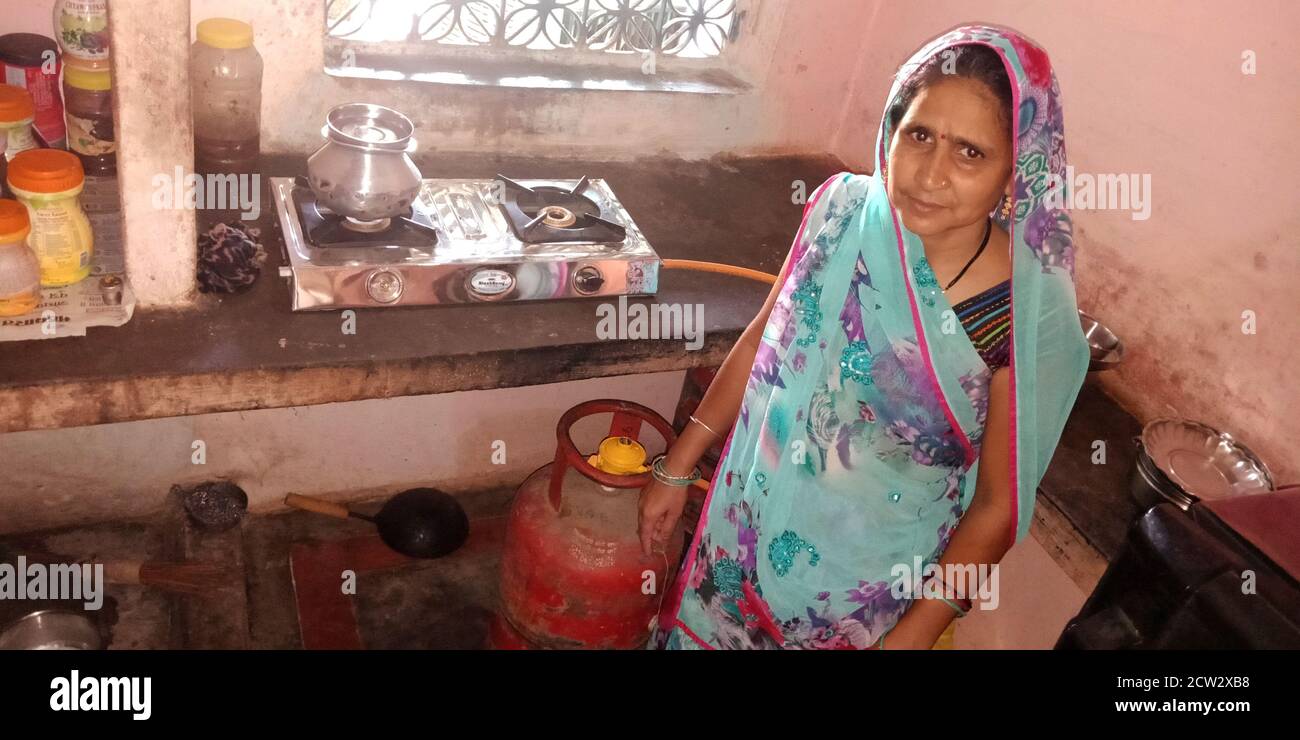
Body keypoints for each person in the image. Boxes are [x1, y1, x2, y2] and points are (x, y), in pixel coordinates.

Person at [639, 23, 1090, 650]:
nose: (930, 174)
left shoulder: (1019, 315)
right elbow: (767, 342)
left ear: (1017, 173)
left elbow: (998, 507)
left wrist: (912, 637)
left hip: (864, 602)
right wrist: (678, 464)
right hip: (738, 543)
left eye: (970, 153)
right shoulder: (843, 210)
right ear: (893, 130)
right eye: (921, 136)